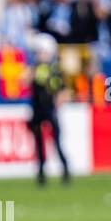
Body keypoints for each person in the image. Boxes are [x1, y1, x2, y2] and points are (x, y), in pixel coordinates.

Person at [28, 33, 71, 186]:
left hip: (49, 110)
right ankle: (41, 174)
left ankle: (65, 171)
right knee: (39, 144)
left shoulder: (53, 70)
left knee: (56, 143)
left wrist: (59, 98)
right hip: (38, 110)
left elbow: (64, 90)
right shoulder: (35, 68)